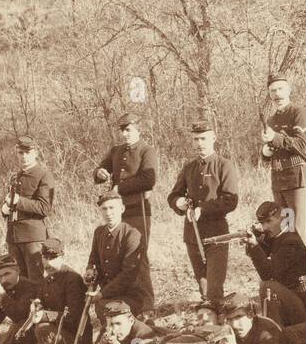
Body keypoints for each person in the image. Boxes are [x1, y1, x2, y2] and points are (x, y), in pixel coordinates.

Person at [168, 115, 240, 303]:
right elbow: (173, 195)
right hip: (193, 235)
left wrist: (203, 209)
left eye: (204, 138)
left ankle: (219, 322)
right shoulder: (188, 167)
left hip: (217, 235)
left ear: (213, 138)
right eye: (196, 139)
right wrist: (179, 203)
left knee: (215, 288)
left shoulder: (225, 165)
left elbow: (231, 200)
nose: (199, 143)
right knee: (203, 288)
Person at [262, 72, 306, 236]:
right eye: (273, 91)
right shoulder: (271, 120)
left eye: (280, 89)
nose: (277, 94)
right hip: (278, 180)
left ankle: (300, 262)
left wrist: (275, 138)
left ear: (289, 90)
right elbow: (269, 154)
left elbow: (301, 144)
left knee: (297, 231)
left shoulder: (299, 113)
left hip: (295, 179)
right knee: (285, 231)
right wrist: (265, 151)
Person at [94, 111, 158, 250]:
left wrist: (119, 189)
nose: (124, 134)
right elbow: (102, 168)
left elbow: (148, 180)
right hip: (115, 212)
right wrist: (99, 172)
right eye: (122, 130)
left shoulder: (147, 151)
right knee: (116, 251)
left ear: (139, 130)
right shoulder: (116, 151)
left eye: (128, 130)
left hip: (138, 209)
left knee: (137, 253)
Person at [244, 200, 306, 326]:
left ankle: (273, 336)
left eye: (269, 222)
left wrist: (255, 246)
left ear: (282, 219)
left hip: (305, 307)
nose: (264, 227)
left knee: (268, 286)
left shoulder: (291, 242)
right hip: (292, 301)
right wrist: (255, 244)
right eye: (262, 223)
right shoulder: (277, 238)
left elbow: (267, 273)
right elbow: (264, 264)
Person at [86, 192, 151, 316]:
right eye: (104, 209)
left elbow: (128, 274)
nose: (108, 213)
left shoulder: (132, 234)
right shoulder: (99, 232)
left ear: (122, 209)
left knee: (106, 309)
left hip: (129, 295)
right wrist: (89, 270)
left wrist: (102, 294)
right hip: (107, 295)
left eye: (112, 208)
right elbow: (93, 260)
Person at [3, 137, 54, 282]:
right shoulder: (15, 176)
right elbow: (9, 201)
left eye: (27, 152)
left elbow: (45, 207)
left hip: (33, 238)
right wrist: (4, 208)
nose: (23, 156)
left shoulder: (43, 175)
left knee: (35, 281)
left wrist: (18, 201)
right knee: (18, 281)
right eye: (20, 152)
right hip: (13, 237)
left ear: (35, 153)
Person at [34, 239, 89, 344]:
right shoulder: (48, 278)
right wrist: (36, 305)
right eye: (45, 258)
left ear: (62, 257)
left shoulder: (72, 279)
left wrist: (44, 316)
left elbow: (73, 317)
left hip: (75, 340)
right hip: (57, 333)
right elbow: (40, 299)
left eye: (52, 258)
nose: (48, 263)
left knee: (41, 328)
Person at [214, 302, 284, 344]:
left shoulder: (268, 331)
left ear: (250, 315)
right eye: (229, 319)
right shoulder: (232, 328)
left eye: (238, 317)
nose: (234, 324)